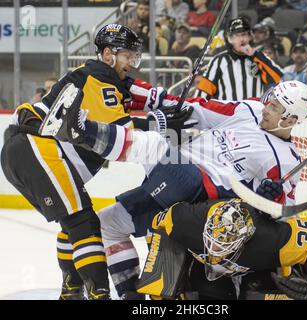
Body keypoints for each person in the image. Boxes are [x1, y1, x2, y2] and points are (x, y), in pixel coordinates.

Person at [41, 79, 307, 298]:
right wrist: (158, 102)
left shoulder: (286, 160)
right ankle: (130, 297)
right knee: (108, 224)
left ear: (291, 120)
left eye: (276, 107)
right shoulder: (250, 110)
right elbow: (199, 109)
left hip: (202, 190)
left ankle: (80, 131)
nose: (267, 107)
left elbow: (283, 214)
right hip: (177, 174)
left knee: (155, 146)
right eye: (270, 100)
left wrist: (269, 198)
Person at [0, 23, 181, 300]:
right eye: (127, 56)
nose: (131, 63)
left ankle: (72, 291)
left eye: (135, 57)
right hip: (37, 148)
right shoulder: (100, 79)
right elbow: (122, 134)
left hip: (23, 150)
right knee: (84, 224)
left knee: (72, 223)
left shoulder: (101, 78)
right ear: (108, 54)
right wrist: (159, 122)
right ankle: (99, 294)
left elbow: (135, 102)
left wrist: (164, 109)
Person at [138, 198, 307, 300]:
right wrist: (161, 278)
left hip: (258, 269)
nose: (214, 248)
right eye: (213, 238)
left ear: (244, 238)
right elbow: (157, 225)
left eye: (224, 242)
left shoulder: (271, 239)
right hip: (206, 274)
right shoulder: (186, 222)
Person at [195, 17, 283, 101]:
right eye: (236, 35)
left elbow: (277, 77)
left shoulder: (259, 57)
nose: (241, 39)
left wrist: (254, 54)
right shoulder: (219, 61)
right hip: (229, 114)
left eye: (244, 34)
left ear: (250, 37)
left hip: (254, 113)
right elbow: (203, 91)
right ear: (229, 39)